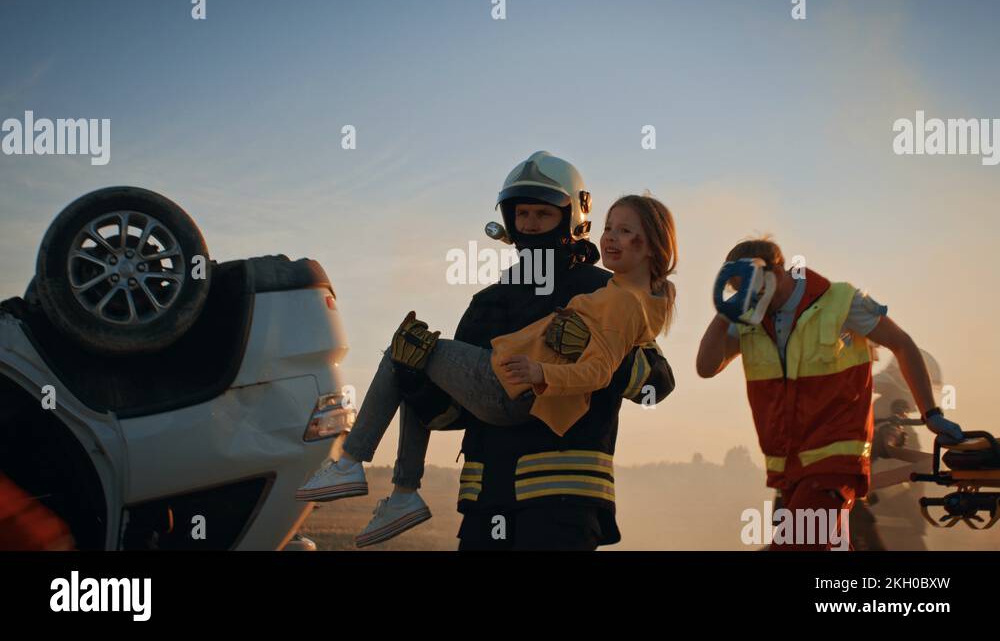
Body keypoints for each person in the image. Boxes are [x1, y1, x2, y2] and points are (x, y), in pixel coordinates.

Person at [297, 192, 677, 548]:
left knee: (416, 353)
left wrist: (602, 356)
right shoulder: (489, 300)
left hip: (563, 502)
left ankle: (360, 470)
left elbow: (657, 385)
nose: (529, 225)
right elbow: (458, 410)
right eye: (521, 214)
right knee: (412, 355)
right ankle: (401, 491)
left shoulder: (603, 290)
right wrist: (417, 387)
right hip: (485, 501)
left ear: (570, 219)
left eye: (542, 214)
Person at [696, 238, 963, 550]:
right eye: (738, 290)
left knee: (794, 547)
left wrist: (931, 413)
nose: (749, 299)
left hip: (834, 466)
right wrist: (725, 313)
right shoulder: (749, 320)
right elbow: (706, 366)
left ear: (777, 272)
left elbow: (901, 343)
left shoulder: (839, 301)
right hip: (789, 473)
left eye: (751, 287)